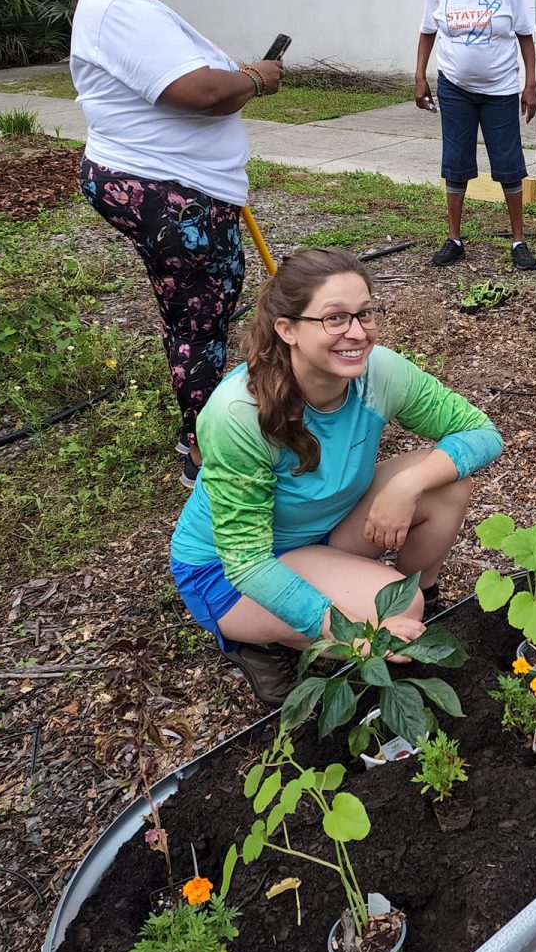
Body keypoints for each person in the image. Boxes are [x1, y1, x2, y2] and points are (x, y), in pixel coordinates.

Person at [169, 248, 503, 706]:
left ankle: (421, 602)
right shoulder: (239, 416)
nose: (357, 333)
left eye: (364, 314)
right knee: (394, 610)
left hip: (321, 532)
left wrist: (408, 484)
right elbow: (246, 561)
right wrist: (344, 628)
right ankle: (258, 640)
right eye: (334, 318)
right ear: (287, 329)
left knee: (443, 482)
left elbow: (482, 433)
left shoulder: (379, 373)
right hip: (230, 572)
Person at [57, 0, 285, 488]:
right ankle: (206, 454)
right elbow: (203, 95)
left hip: (178, 185)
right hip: (166, 189)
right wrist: (254, 81)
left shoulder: (121, 4)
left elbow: (184, 77)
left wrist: (231, 75)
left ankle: (215, 432)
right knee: (198, 319)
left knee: (206, 309)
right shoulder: (117, 8)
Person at [414, 0, 536, 271]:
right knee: (455, 164)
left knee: (508, 165)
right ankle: (454, 239)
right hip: (455, 89)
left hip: (501, 89)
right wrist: (420, 75)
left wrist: (529, 84)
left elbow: (525, 35)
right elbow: (427, 31)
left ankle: (518, 240)